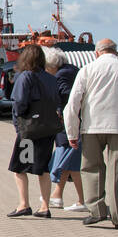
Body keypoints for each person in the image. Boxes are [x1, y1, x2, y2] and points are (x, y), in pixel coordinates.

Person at [64, 38, 118, 230]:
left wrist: (72, 132)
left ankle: (96, 211)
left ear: (97, 53)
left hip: (92, 127)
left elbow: (73, 104)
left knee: (91, 168)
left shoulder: (86, 70)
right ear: (116, 52)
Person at [7, 44, 59, 218]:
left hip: (29, 131)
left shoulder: (25, 76)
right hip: (48, 128)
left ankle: (24, 204)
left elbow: (20, 102)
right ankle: (45, 206)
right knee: (43, 167)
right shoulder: (51, 78)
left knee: (20, 167)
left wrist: (18, 123)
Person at [45, 48, 87, 212]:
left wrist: (56, 105)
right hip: (76, 121)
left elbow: (68, 94)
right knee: (69, 161)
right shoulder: (73, 69)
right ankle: (57, 196)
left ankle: (81, 200)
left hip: (69, 123)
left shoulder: (61, 75)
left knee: (69, 159)